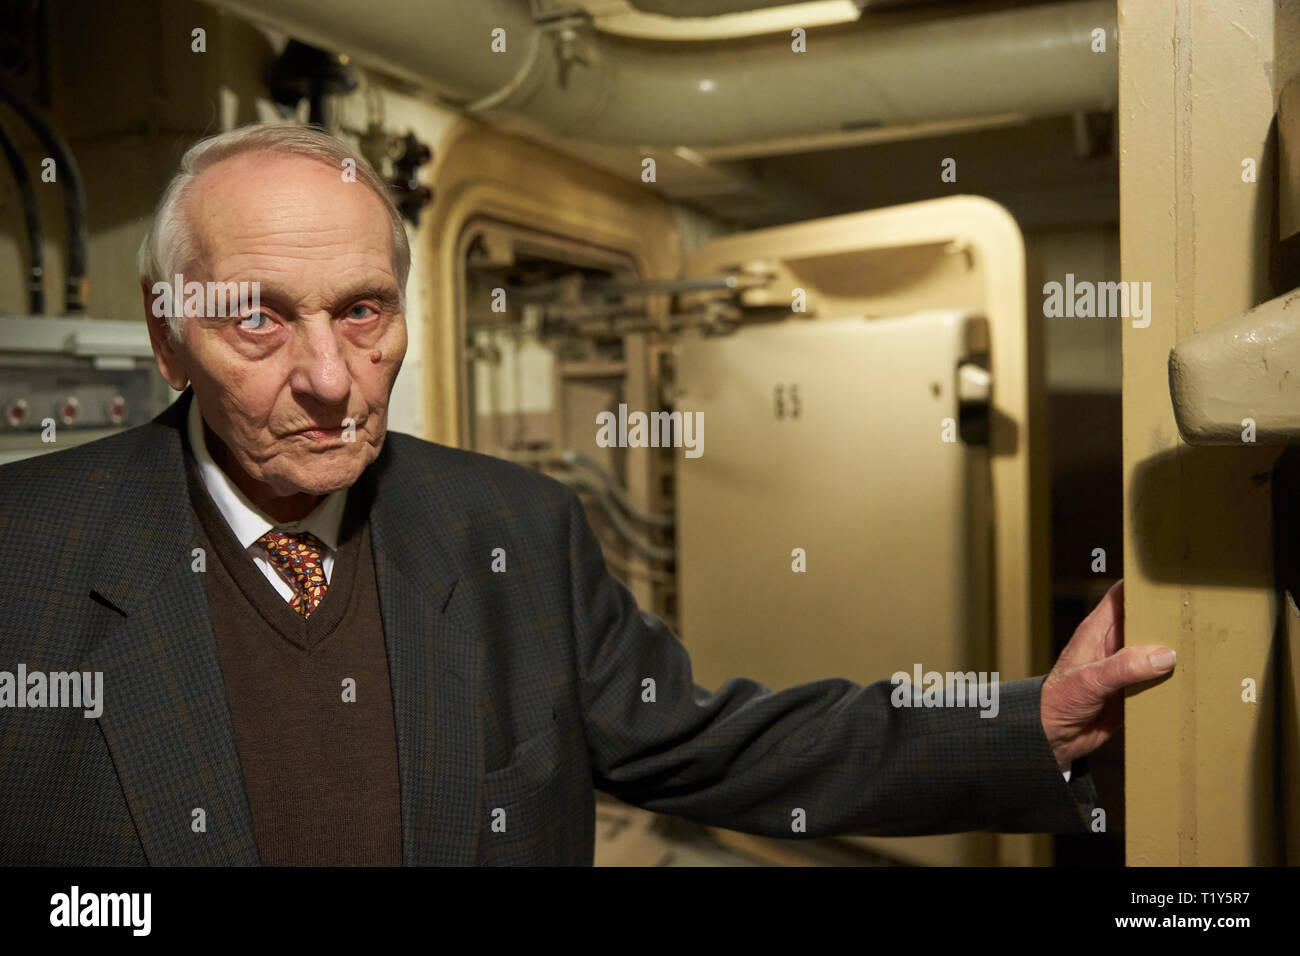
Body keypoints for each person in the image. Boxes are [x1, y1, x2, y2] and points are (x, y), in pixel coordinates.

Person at [0, 123, 1175, 865]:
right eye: (257, 315)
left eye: (362, 310)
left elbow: (723, 746)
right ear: (167, 338)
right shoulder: (26, 557)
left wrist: (1031, 722)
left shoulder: (513, 531)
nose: (326, 377)